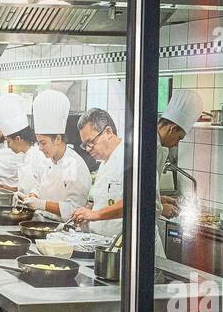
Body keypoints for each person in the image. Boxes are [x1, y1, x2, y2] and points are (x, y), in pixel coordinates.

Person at [72, 107, 165, 256]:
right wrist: (87, 212)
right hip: (110, 249)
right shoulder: (104, 163)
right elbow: (106, 200)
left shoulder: (134, 156)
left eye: (91, 142)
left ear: (108, 132)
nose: (88, 149)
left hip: (137, 251)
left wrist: (95, 215)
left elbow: (138, 203)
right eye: (85, 145)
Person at [18, 89, 90, 220]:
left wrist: (41, 204)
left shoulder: (72, 164)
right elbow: (39, 186)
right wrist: (31, 197)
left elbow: (75, 208)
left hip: (64, 228)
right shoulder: (46, 160)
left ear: (57, 139)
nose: (40, 148)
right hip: (43, 221)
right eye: (38, 143)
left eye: (43, 143)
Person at [156, 88, 204, 218]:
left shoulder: (159, 146)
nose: (177, 144)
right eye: (179, 138)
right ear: (172, 129)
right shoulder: (150, 148)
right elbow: (131, 191)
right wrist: (159, 209)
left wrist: (158, 200)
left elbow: (143, 190)